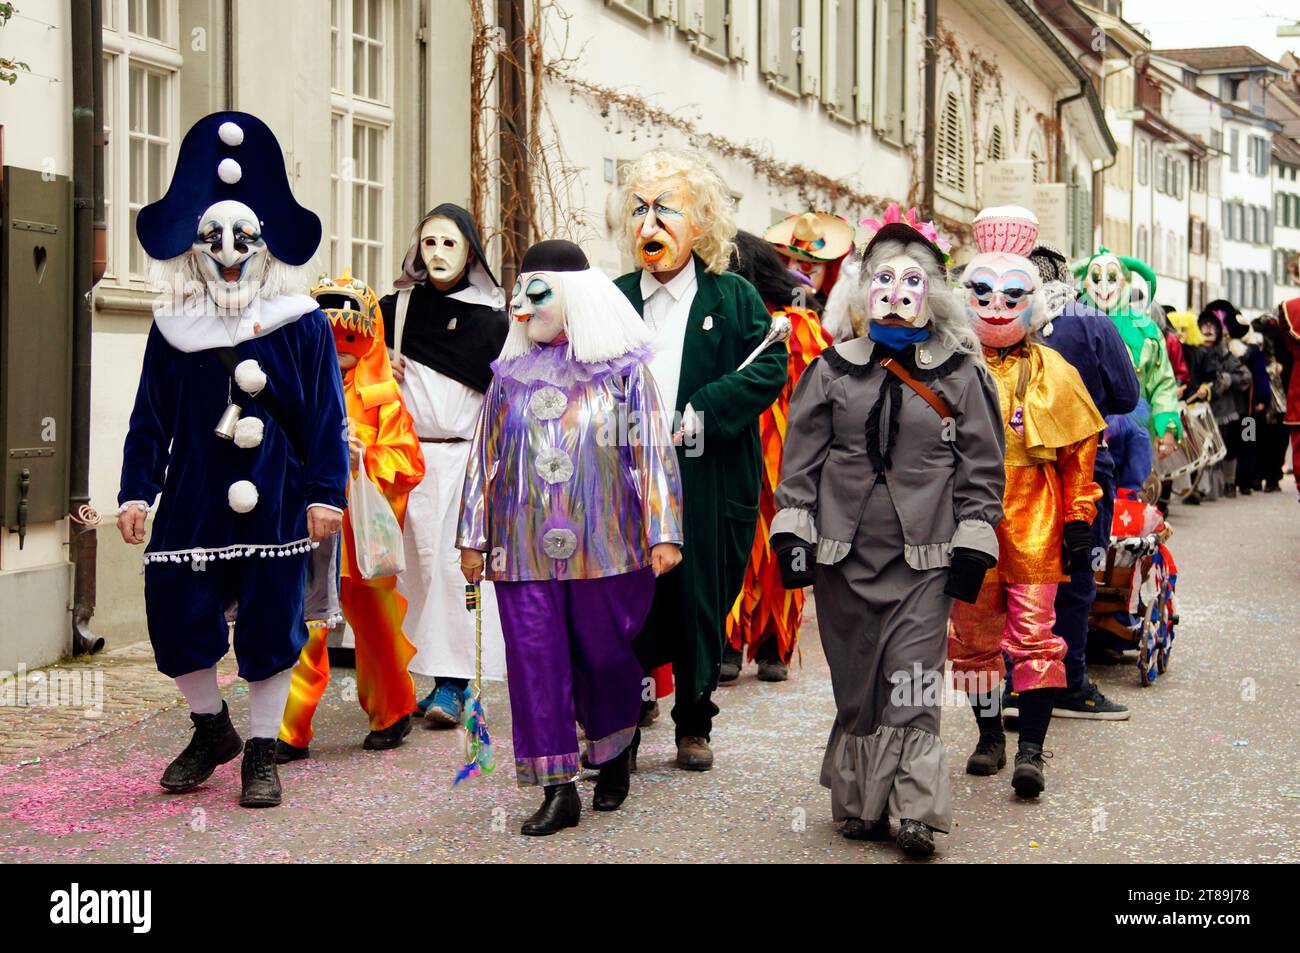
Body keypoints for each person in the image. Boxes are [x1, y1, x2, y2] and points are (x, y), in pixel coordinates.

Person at [116, 111, 348, 808]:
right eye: (212, 239)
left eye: (241, 239)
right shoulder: (172, 327)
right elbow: (149, 416)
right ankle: (211, 727)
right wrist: (135, 492)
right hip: (193, 495)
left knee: (272, 623)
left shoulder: (301, 321)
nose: (227, 252)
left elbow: (324, 416)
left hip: (277, 493)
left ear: (263, 244)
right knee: (176, 613)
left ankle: (262, 750)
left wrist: (325, 491)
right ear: (193, 249)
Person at [772, 203, 1004, 856]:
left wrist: (974, 539)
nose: (896, 294)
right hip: (841, 558)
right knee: (858, 686)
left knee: (912, 681)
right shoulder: (832, 368)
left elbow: (983, 468)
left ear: (931, 294)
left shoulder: (962, 373)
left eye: (911, 282)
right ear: (863, 289)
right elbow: (801, 461)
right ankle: (860, 800)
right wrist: (794, 532)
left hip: (925, 561)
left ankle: (915, 811)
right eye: (883, 280)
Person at [458, 240, 683, 835]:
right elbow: (485, 459)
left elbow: (652, 451)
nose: (524, 307)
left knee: (604, 657)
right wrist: (472, 536)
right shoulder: (507, 379)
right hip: (520, 546)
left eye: (538, 294)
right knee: (535, 663)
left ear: (574, 299)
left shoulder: (624, 372)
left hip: (608, 546)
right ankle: (557, 787)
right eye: (519, 295)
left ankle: (612, 750)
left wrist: (663, 529)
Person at [612, 148, 787, 772]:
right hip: (626, 471)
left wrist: (706, 408)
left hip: (706, 475)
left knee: (697, 595)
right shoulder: (613, 299)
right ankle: (622, 720)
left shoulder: (733, 296)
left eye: (666, 210)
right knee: (626, 596)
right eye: (640, 210)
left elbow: (770, 362)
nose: (650, 224)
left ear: (701, 222)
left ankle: (693, 721)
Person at [950, 207, 1104, 800]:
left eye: (1011, 294)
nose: (995, 306)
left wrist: (1077, 520)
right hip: (966, 518)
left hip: (1034, 516)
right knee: (972, 634)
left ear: (1033, 302)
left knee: (1036, 633)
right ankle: (990, 736)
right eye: (982, 292)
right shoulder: (949, 366)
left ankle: (1033, 748)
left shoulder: (1054, 371)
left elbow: (1078, 455)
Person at [277, 271, 425, 761]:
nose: (340, 345)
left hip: (362, 537)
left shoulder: (383, 399)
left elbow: (409, 462)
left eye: (350, 336)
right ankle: (287, 728)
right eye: (329, 333)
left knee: (377, 625)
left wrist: (366, 460)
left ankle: (393, 710)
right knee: (303, 624)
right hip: (308, 527)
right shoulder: (292, 390)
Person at [379, 204, 509, 727]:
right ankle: (401, 679)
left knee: (456, 572)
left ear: (470, 253)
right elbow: (341, 356)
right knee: (407, 570)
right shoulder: (394, 311)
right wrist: (375, 363)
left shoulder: (493, 322)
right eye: (429, 242)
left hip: (465, 459)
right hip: (405, 457)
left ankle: (453, 684)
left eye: (449, 244)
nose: (437, 253)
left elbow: (508, 396)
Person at [1028, 243, 1139, 723]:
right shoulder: (1090, 322)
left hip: (1015, 468)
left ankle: (1017, 680)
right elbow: (1127, 394)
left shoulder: (992, 322)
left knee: (1018, 574)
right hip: (1085, 461)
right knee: (1077, 573)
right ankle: (1067, 683)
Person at [721, 231, 831, 684]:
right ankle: (725, 640)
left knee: (781, 543)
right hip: (729, 450)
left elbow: (823, 394)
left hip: (786, 458)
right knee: (731, 544)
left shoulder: (799, 325)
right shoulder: (720, 318)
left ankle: (773, 645)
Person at [1073, 248, 1181, 472]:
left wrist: (1167, 427)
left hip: (1135, 432)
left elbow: (1162, 381)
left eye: (1111, 277)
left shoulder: (1146, 330)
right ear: (1085, 283)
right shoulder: (1070, 324)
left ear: (1125, 282)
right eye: (1096, 278)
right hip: (1080, 435)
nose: (1103, 285)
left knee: (1131, 496)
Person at [1184, 304, 1250, 503]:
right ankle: (1201, 488)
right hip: (1197, 410)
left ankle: (1226, 484)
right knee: (1199, 449)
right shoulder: (1192, 352)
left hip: (1223, 412)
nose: (1207, 330)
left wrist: (1227, 380)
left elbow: (1245, 376)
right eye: (1203, 325)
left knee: (1226, 449)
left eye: (1212, 326)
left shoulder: (1225, 354)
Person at [762, 210, 855, 309]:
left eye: (815, 262)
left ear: (828, 271)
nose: (805, 267)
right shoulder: (770, 303)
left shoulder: (832, 310)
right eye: (799, 261)